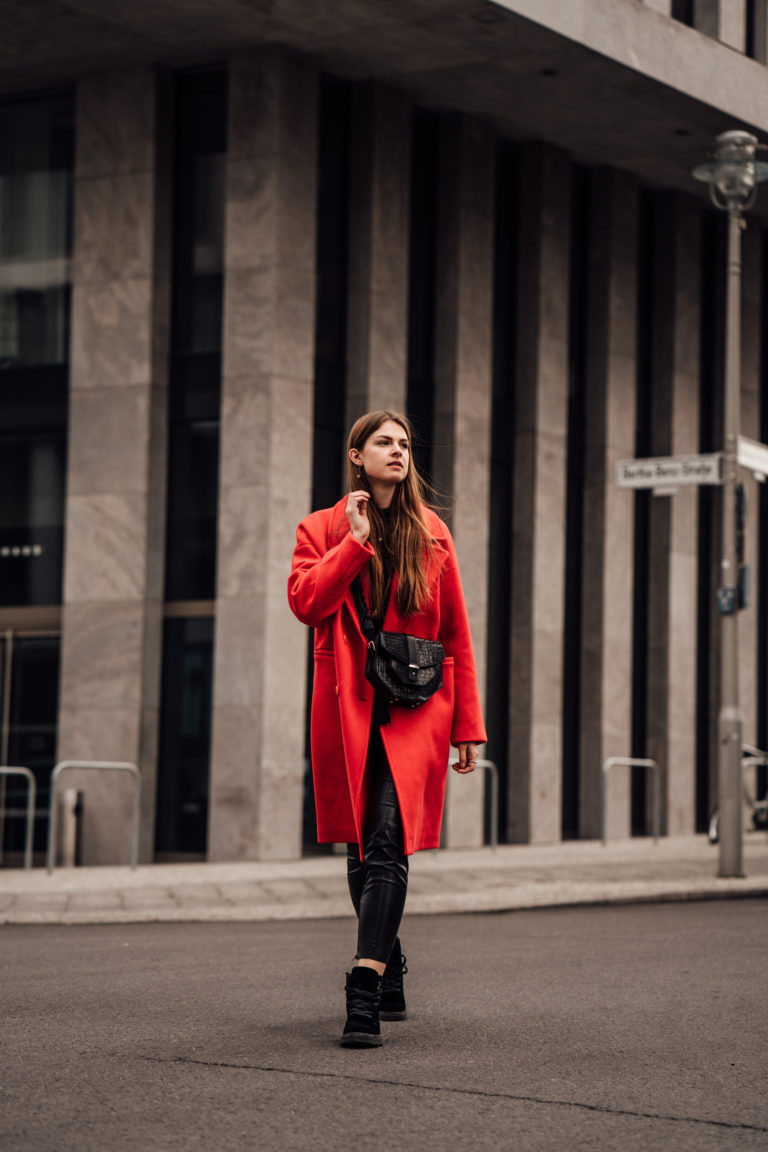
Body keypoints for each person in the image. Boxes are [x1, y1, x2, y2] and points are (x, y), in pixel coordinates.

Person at [287, 410, 486, 1047]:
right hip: (348, 703)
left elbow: (454, 631)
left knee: (387, 842)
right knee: (360, 846)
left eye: (404, 443)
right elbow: (306, 603)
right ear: (357, 455)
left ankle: (364, 985)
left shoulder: (432, 532)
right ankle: (392, 958)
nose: (397, 451)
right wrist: (354, 539)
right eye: (383, 442)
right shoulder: (320, 527)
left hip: (417, 706)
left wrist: (468, 727)